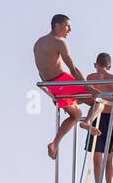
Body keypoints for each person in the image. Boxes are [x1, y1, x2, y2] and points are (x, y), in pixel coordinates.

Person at [33, 14, 99, 161]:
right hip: (62, 81)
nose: (70, 30)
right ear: (57, 25)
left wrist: (51, 92)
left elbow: (40, 69)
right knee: (99, 101)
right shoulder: (59, 42)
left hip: (51, 84)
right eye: (67, 26)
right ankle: (87, 122)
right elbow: (73, 69)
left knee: (75, 114)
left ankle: (54, 144)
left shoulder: (38, 43)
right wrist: (90, 89)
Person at [85, 54, 113, 183]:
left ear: (95, 64)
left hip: (96, 117)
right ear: (109, 66)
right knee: (109, 158)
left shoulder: (90, 78)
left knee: (97, 157)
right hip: (112, 119)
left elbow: (85, 96)